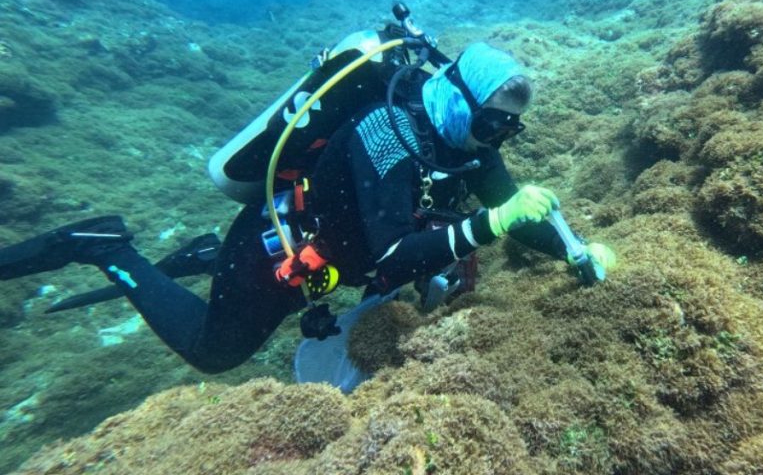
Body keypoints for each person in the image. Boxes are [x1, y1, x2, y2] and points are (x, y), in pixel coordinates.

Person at [0, 29, 616, 374]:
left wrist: (573, 249)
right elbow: (397, 254)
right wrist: (490, 222)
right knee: (216, 352)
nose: (497, 143)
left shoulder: (466, 140)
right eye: (492, 125)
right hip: (282, 245)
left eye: (510, 130)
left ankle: (203, 254)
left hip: (344, 253)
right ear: (458, 98)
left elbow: (513, 208)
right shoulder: (387, 134)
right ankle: (108, 248)